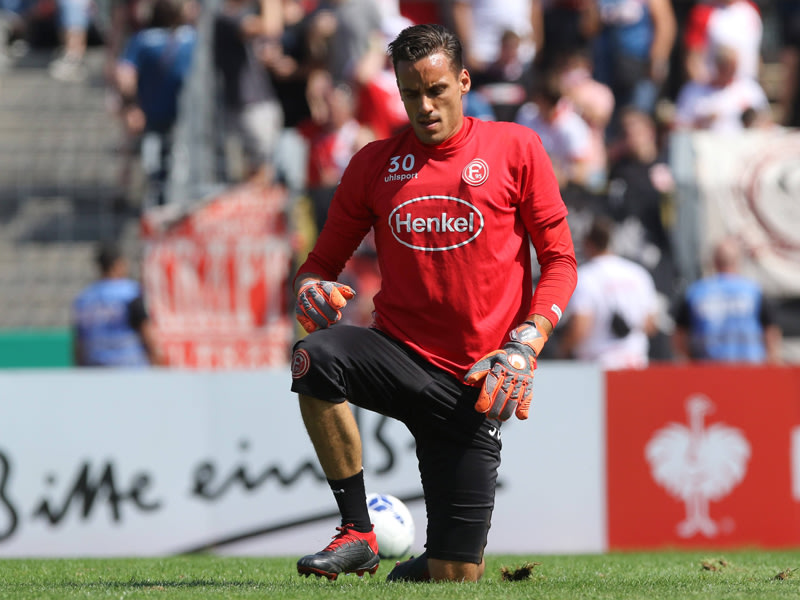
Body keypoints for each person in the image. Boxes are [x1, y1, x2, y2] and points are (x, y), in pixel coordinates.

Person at [289, 23, 577, 582]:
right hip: (397, 355)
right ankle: (357, 534)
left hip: (476, 380)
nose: (424, 106)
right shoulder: (374, 164)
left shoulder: (516, 148)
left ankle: (411, 570)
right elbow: (317, 266)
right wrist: (310, 290)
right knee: (314, 357)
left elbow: (561, 262)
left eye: (437, 89)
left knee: (455, 575)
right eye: (410, 93)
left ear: (464, 81)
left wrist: (526, 343)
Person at [558, 216, 659, 370]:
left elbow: (581, 326)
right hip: (636, 364)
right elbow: (650, 325)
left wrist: (562, 351)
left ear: (588, 244)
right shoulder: (638, 273)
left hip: (597, 368)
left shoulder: (585, 277)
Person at [672, 236, 782, 364]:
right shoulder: (754, 292)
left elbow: (679, 337)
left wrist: (691, 362)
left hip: (708, 372)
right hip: (750, 371)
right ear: (737, 261)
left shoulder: (695, 292)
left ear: (714, 261)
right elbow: (770, 332)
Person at [72, 242, 163, 367]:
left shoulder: (84, 298)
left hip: (95, 368)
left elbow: (79, 342)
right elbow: (145, 330)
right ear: (117, 265)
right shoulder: (130, 293)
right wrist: (157, 360)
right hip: (128, 368)